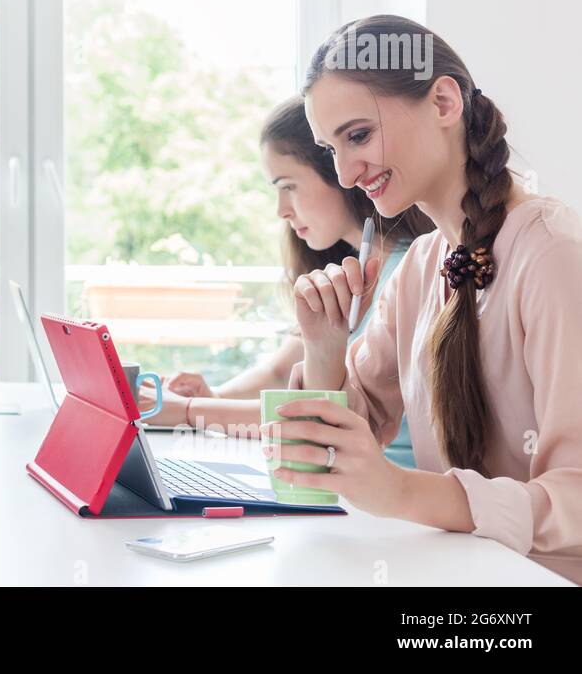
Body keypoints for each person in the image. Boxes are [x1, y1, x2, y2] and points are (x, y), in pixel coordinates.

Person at [273, 14, 582, 583]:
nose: (345, 174)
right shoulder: (419, 268)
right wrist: (324, 350)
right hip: (464, 579)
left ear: (443, 103)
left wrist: (402, 490)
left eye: (359, 135)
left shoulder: (552, 255)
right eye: (330, 148)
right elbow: (318, 464)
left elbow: (576, 498)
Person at [138, 97, 431, 468]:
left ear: (339, 174)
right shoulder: (347, 267)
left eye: (288, 186)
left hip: (386, 488)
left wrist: (189, 411)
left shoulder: (408, 269)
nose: (281, 210)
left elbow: (318, 418)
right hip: (352, 483)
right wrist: (215, 396)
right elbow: (281, 372)